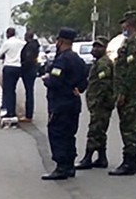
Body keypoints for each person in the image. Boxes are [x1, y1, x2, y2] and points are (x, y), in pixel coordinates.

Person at [41, 28, 89, 180]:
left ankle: (61, 166)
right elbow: (84, 80)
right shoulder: (78, 60)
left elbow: (55, 80)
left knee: (58, 134)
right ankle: (69, 165)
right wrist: (79, 89)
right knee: (70, 134)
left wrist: (46, 79)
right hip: (73, 103)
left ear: (60, 41)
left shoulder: (62, 60)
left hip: (60, 103)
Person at [110, 10, 136, 176]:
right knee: (126, 124)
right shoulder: (129, 41)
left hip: (130, 91)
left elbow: (132, 70)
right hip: (128, 89)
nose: (123, 26)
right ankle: (129, 160)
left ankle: (130, 162)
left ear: (130, 23)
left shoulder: (134, 43)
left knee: (129, 126)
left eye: (124, 23)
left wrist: (123, 92)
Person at [77, 37, 116, 170]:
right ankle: (101, 157)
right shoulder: (98, 62)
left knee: (94, 130)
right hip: (98, 102)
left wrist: (99, 101)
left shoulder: (103, 64)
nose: (95, 49)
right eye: (94, 46)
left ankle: (87, 158)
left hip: (101, 103)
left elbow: (104, 84)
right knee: (100, 130)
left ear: (104, 49)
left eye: (98, 47)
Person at [0, 27, 24, 123]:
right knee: (13, 90)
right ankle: (12, 110)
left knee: (8, 90)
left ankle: (10, 111)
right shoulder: (21, 43)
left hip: (9, 66)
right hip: (18, 67)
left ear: (7, 34)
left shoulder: (7, 43)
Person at [20, 30, 41, 122]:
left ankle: (28, 115)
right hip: (32, 70)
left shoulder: (30, 46)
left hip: (28, 71)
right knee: (29, 92)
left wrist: (22, 68)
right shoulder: (35, 45)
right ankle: (28, 113)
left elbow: (28, 59)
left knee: (29, 92)